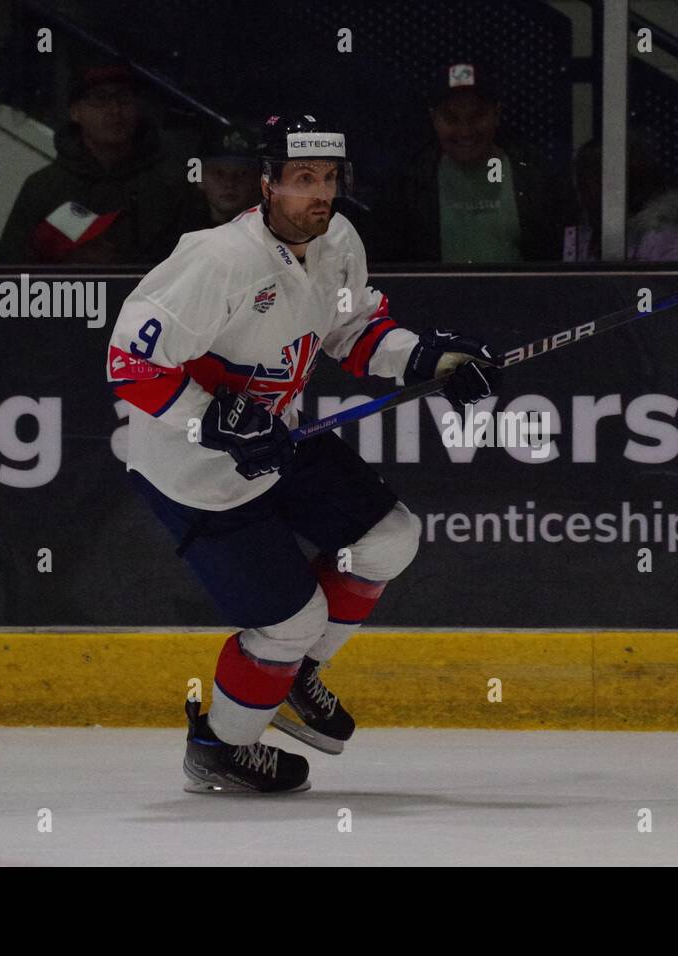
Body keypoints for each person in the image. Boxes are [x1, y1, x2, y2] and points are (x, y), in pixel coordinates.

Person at [106, 113, 500, 794]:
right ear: (267, 185)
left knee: (390, 537)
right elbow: (129, 365)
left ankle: (291, 679)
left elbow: (355, 331)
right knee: (293, 622)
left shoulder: (337, 238)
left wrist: (436, 360)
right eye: (303, 180)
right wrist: (214, 421)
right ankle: (219, 749)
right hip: (195, 474)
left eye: (329, 179)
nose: (320, 194)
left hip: (279, 442)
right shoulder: (219, 261)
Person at [0, 60, 207, 265]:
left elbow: (193, 269)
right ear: (75, 112)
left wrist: (120, 265)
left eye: (124, 98)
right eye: (100, 99)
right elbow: (7, 276)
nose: (114, 110)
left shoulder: (172, 185)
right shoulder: (43, 187)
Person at [374, 62, 568, 263]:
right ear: (434, 120)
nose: (465, 131)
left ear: (497, 115)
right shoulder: (408, 186)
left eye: (477, 116)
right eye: (451, 118)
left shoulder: (536, 179)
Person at [566, 135, 678, 261]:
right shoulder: (580, 237)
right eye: (580, 179)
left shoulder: (663, 237)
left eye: (593, 178)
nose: (583, 189)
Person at [196, 125, 260, 226]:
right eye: (219, 173)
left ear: (256, 180)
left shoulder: (272, 234)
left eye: (241, 173)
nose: (230, 183)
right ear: (200, 179)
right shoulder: (183, 237)